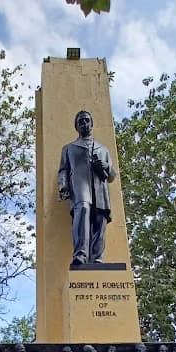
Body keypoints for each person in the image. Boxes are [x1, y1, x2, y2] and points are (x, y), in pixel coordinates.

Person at [57, 110, 117, 266]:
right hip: (80, 186)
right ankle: (80, 255)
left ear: (92, 123)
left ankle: (97, 257)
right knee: (82, 210)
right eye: (81, 121)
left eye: (86, 120)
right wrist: (63, 185)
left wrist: (105, 166)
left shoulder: (103, 149)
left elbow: (111, 175)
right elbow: (63, 169)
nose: (84, 123)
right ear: (76, 126)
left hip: (100, 188)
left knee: (100, 219)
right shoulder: (69, 148)